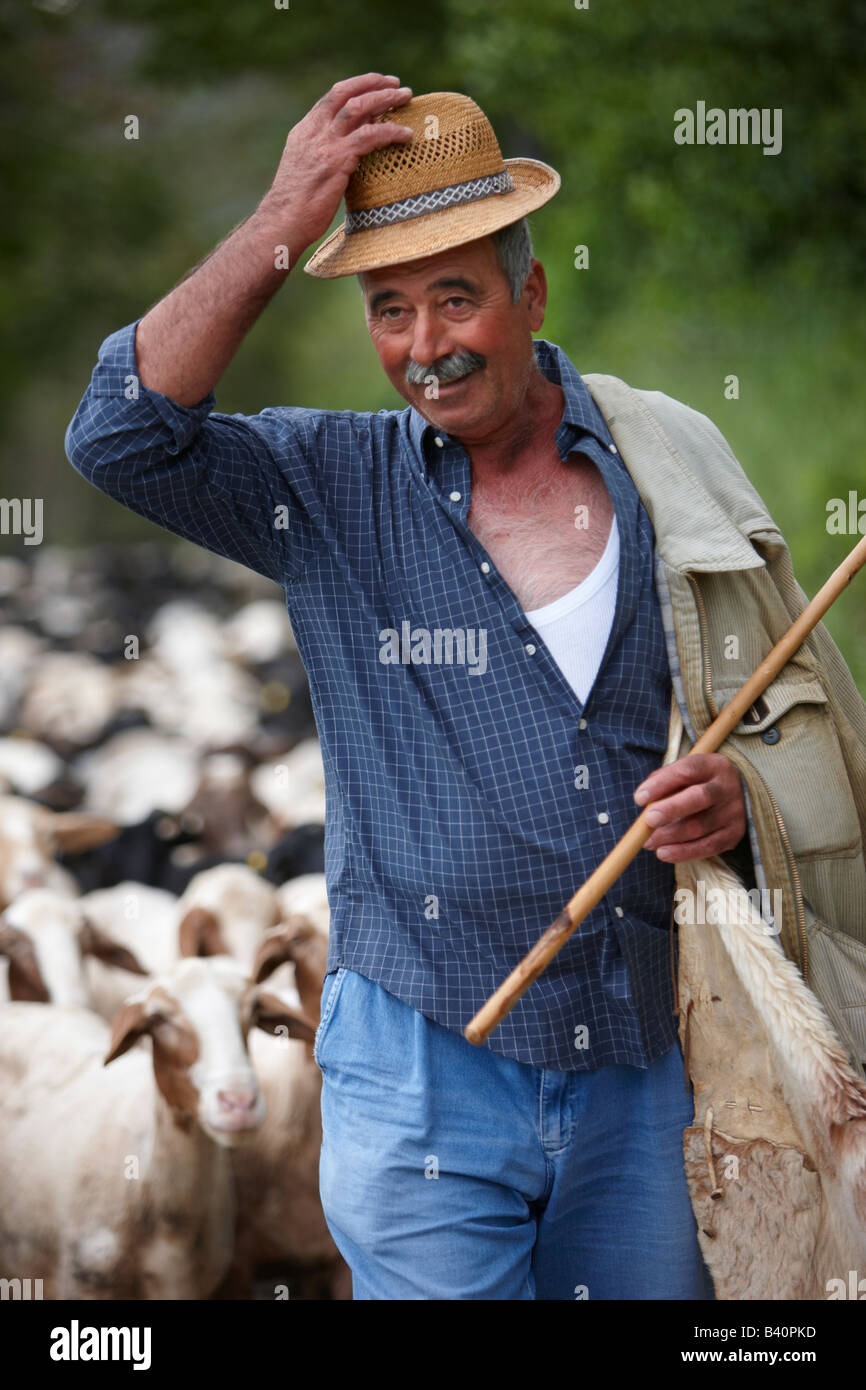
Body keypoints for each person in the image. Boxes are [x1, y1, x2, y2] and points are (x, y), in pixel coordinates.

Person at [66, 74, 866, 1300]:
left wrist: (737, 800)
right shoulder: (325, 486)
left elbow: (784, 723)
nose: (427, 348)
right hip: (419, 1070)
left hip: (649, 1062)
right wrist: (288, 213)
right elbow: (118, 434)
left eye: (456, 297)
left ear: (530, 292)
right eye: (389, 310)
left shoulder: (664, 465)